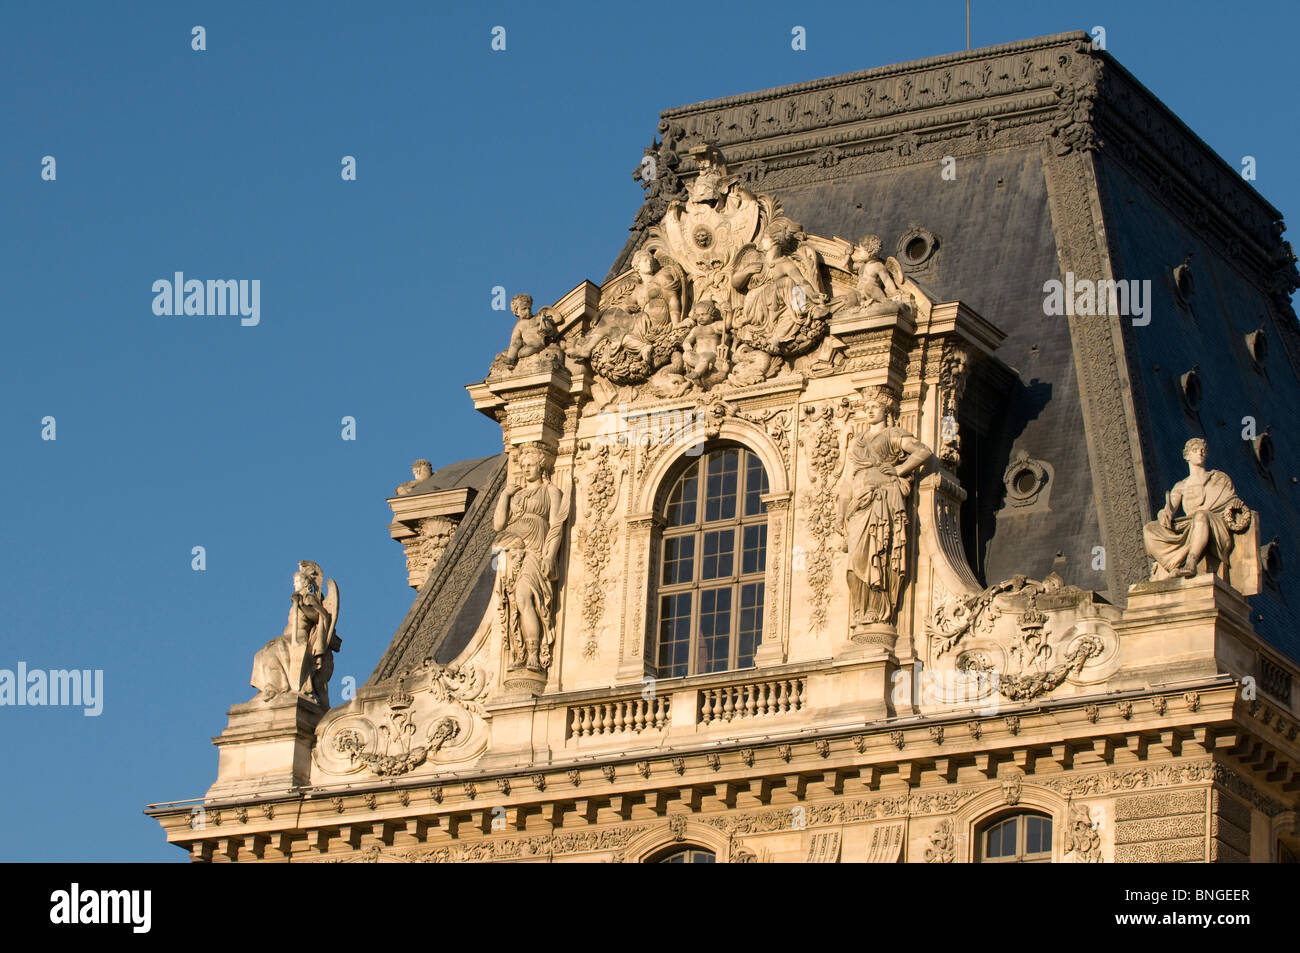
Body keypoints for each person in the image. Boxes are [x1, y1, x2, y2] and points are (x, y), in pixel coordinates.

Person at [837, 387, 935, 631]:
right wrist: (841, 513)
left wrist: (899, 471)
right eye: (867, 406)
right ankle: (860, 610)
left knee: (879, 555)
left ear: (886, 410)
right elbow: (847, 480)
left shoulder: (893, 435)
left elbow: (923, 452)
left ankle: (878, 611)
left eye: (875, 406)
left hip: (882, 502)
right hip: (858, 506)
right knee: (855, 561)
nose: (869, 410)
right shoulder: (857, 442)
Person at [493, 444, 567, 673]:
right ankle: (520, 652)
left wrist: (550, 554)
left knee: (526, 597)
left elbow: (556, 525)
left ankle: (533, 654)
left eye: (530, 465)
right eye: (523, 465)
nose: (525, 469)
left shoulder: (550, 491)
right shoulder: (515, 493)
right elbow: (498, 525)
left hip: (535, 547)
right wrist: (505, 495)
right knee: (513, 602)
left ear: (541, 465)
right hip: (510, 549)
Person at [1143, 438, 1249, 578]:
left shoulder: (1218, 478)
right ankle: (1172, 564)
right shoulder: (1181, 486)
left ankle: (1190, 563)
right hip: (1190, 525)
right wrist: (1164, 514)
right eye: (1195, 450)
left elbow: (1232, 501)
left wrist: (1235, 503)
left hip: (1215, 526)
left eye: (1203, 450)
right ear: (1187, 456)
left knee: (1201, 516)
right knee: (1149, 529)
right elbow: (1170, 508)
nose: (1200, 452)